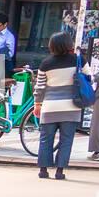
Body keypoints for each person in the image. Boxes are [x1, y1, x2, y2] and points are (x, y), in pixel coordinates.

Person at [33, 31, 83, 179]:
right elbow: (89, 78)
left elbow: (40, 86)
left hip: (50, 107)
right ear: (68, 44)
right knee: (66, 140)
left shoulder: (46, 63)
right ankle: (59, 171)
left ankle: (43, 170)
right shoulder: (78, 60)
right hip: (72, 107)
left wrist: (37, 104)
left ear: (52, 45)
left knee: (46, 139)